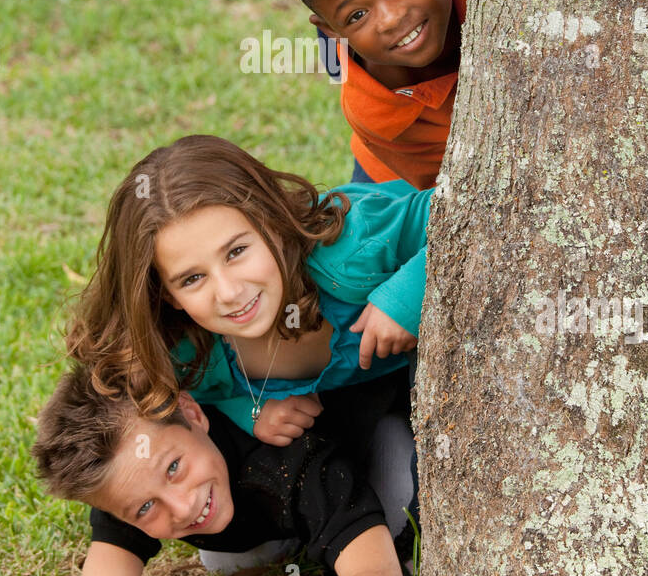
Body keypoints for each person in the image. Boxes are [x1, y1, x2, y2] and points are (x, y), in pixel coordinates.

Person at [66, 134, 430, 472]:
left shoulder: (353, 245)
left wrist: (404, 297)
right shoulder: (184, 355)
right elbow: (159, 402)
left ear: (273, 223)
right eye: (192, 279)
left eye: (236, 251)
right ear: (166, 295)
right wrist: (248, 410)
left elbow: (471, 215)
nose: (228, 292)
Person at [32, 367, 409, 576]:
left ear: (192, 413)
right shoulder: (128, 481)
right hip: (270, 500)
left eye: (174, 468)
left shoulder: (293, 459)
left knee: (399, 518)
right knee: (225, 562)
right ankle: (305, 533)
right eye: (146, 508)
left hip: (371, 440)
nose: (183, 507)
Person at [284, 0, 472, 190]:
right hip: (393, 180)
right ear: (332, 31)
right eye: (357, 15)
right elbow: (452, 193)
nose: (390, 18)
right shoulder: (376, 110)